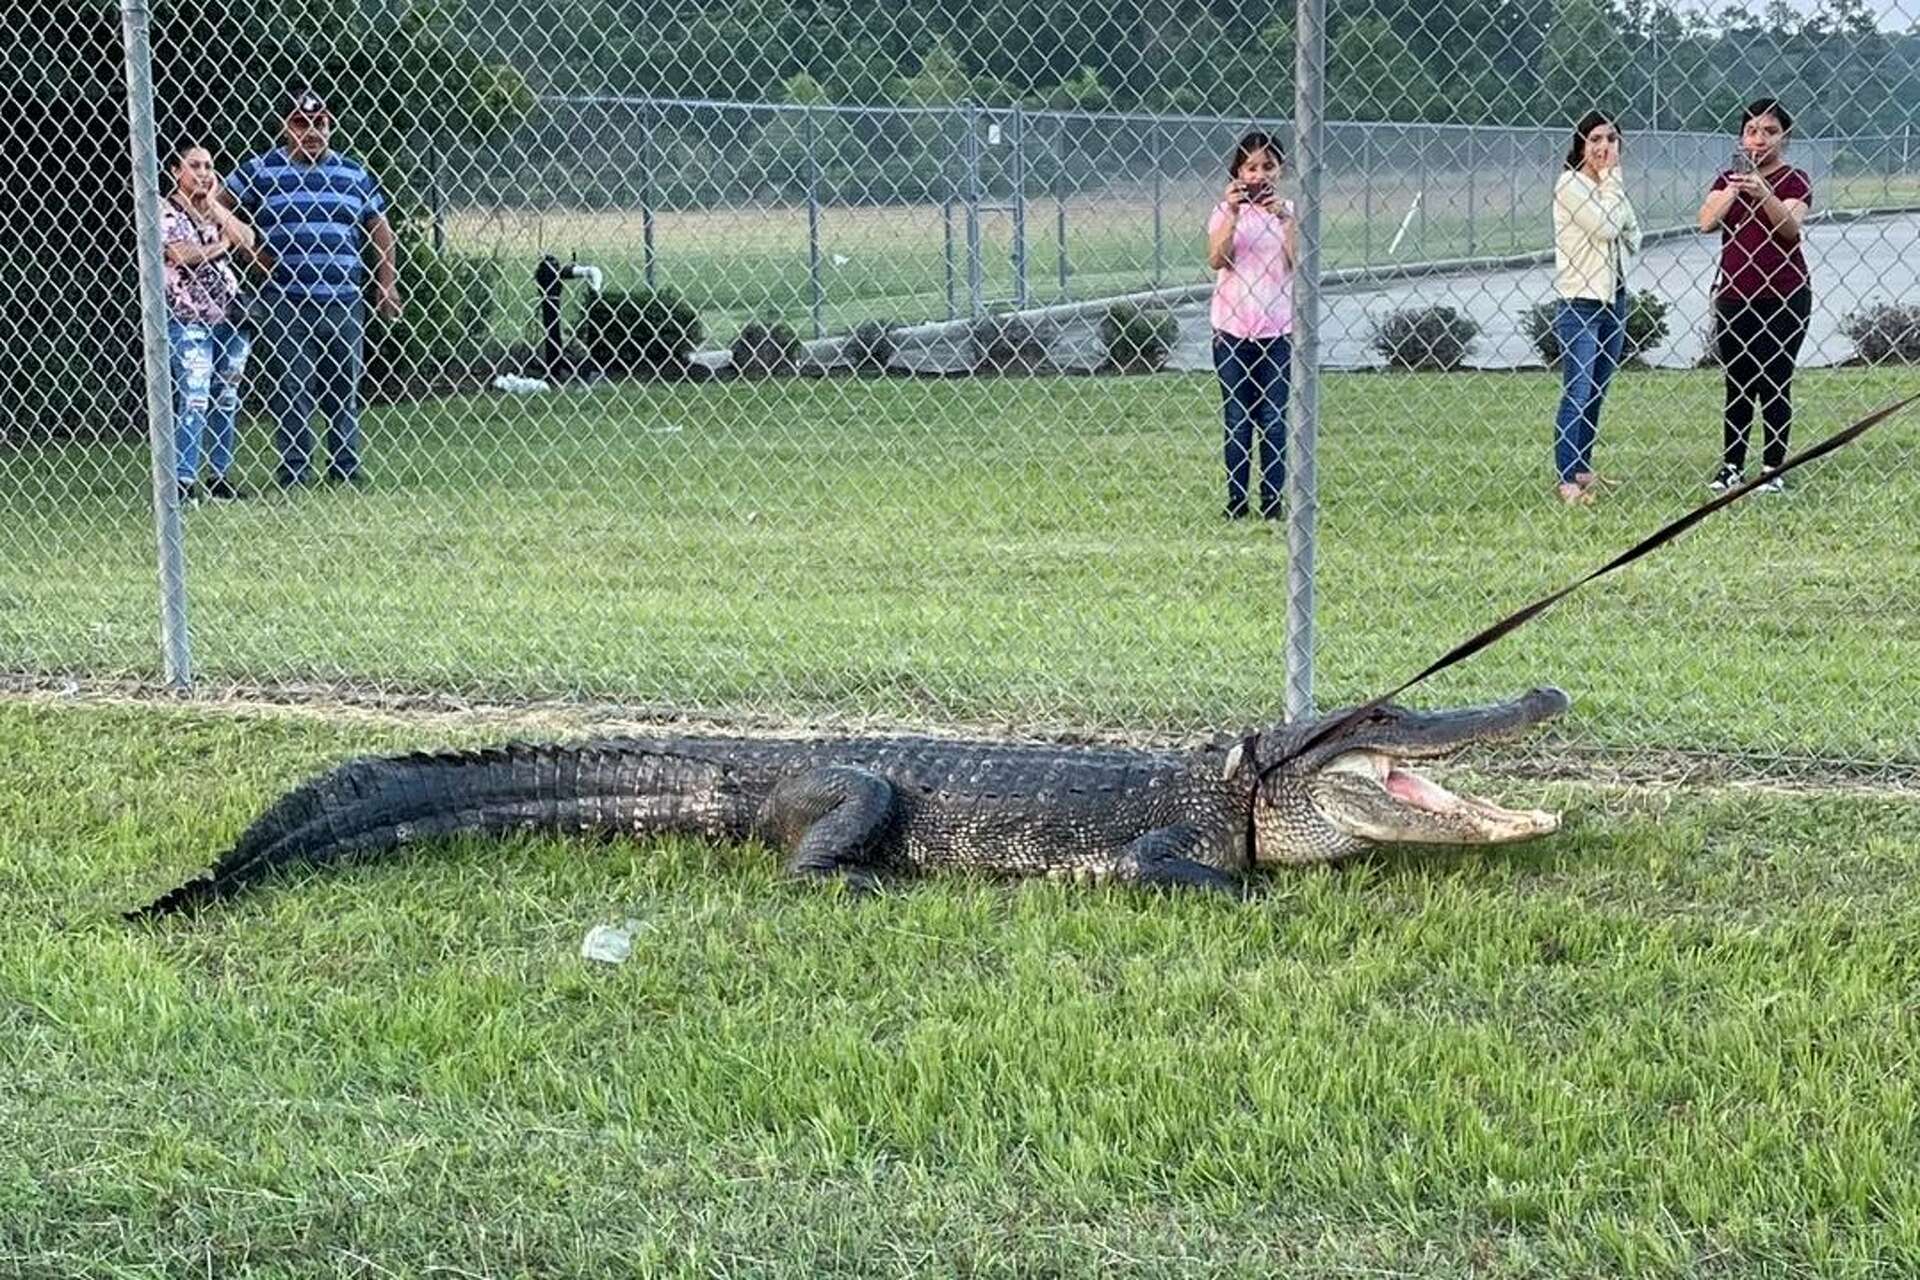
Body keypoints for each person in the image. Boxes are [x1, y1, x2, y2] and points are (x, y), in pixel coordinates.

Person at [225, 89, 401, 488]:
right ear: (287, 127)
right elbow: (219, 205)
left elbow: (379, 228)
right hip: (285, 299)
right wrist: (251, 252)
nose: (312, 132)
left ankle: (345, 469)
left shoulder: (353, 173)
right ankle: (295, 472)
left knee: (344, 388)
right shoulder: (260, 170)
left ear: (330, 125)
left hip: (343, 299)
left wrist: (386, 282)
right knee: (291, 388)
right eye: (302, 124)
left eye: (319, 123)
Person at [1697, 97, 1812, 495]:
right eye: (1751, 131)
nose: (1759, 139)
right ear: (1741, 137)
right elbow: (1706, 222)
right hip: (1735, 296)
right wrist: (1735, 189)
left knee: (1775, 381)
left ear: (1785, 137)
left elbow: (1790, 229)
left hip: (1784, 296)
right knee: (1739, 382)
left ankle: (1772, 468)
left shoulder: (1794, 180)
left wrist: (1763, 192)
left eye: (1769, 131)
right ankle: (1732, 466)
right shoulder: (1726, 178)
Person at [1549, 110, 1641, 507]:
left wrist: (1612, 197)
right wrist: (1611, 185)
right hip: (1580, 302)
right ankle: (1567, 477)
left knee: (1598, 390)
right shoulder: (1571, 184)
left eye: (1612, 140)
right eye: (1596, 140)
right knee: (1578, 388)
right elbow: (1607, 227)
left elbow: (1633, 231)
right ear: (1581, 145)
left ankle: (1584, 467)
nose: (1605, 147)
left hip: (1613, 297)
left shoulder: (1608, 186)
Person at [1206, 130, 1296, 520]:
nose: (1260, 176)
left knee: (1274, 420)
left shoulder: (1290, 211)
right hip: (1231, 330)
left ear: (1280, 170)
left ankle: (1272, 502)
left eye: (1268, 167)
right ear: (1238, 172)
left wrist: (1285, 219)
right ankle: (1237, 502)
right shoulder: (1225, 211)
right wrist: (1233, 212)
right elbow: (1216, 259)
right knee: (1238, 419)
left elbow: (1299, 262)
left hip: (1276, 331)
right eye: (1252, 167)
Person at [162, 142, 256, 504]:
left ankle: (219, 477)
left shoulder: (212, 211)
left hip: (229, 318)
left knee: (226, 396)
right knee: (195, 397)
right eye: (194, 166)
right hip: (188, 318)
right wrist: (222, 247)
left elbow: (247, 238)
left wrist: (216, 204)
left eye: (208, 167)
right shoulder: (164, 208)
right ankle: (184, 481)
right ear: (176, 171)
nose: (202, 173)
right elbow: (179, 254)